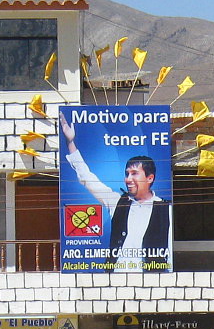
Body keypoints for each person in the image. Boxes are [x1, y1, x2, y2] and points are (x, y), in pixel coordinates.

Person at [60, 116, 172, 271]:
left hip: (150, 280)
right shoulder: (118, 202)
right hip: (115, 279)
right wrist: (70, 142)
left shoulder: (165, 209)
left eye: (134, 173)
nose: (128, 179)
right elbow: (88, 178)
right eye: (127, 174)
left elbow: (169, 252)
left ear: (150, 178)